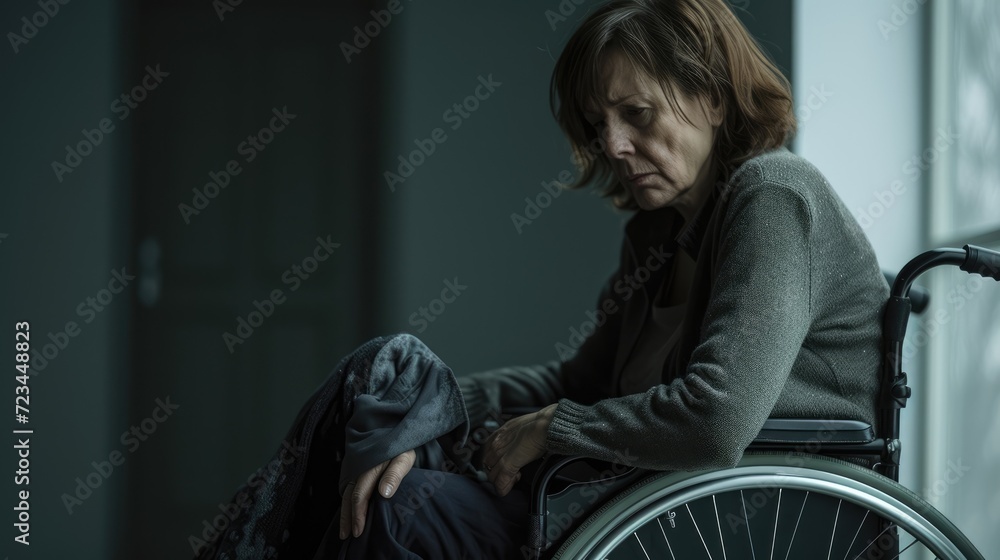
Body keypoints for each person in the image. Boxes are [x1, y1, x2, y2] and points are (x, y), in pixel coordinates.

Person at [333, 0, 888, 557]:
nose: (614, 146)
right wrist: (430, 410)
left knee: (394, 512)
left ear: (714, 98)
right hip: (653, 511)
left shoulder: (774, 195)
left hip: (755, 522)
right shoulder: (657, 235)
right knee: (382, 448)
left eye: (638, 113)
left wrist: (553, 429)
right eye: (600, 124)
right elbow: (580, 382)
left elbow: (715, 420)